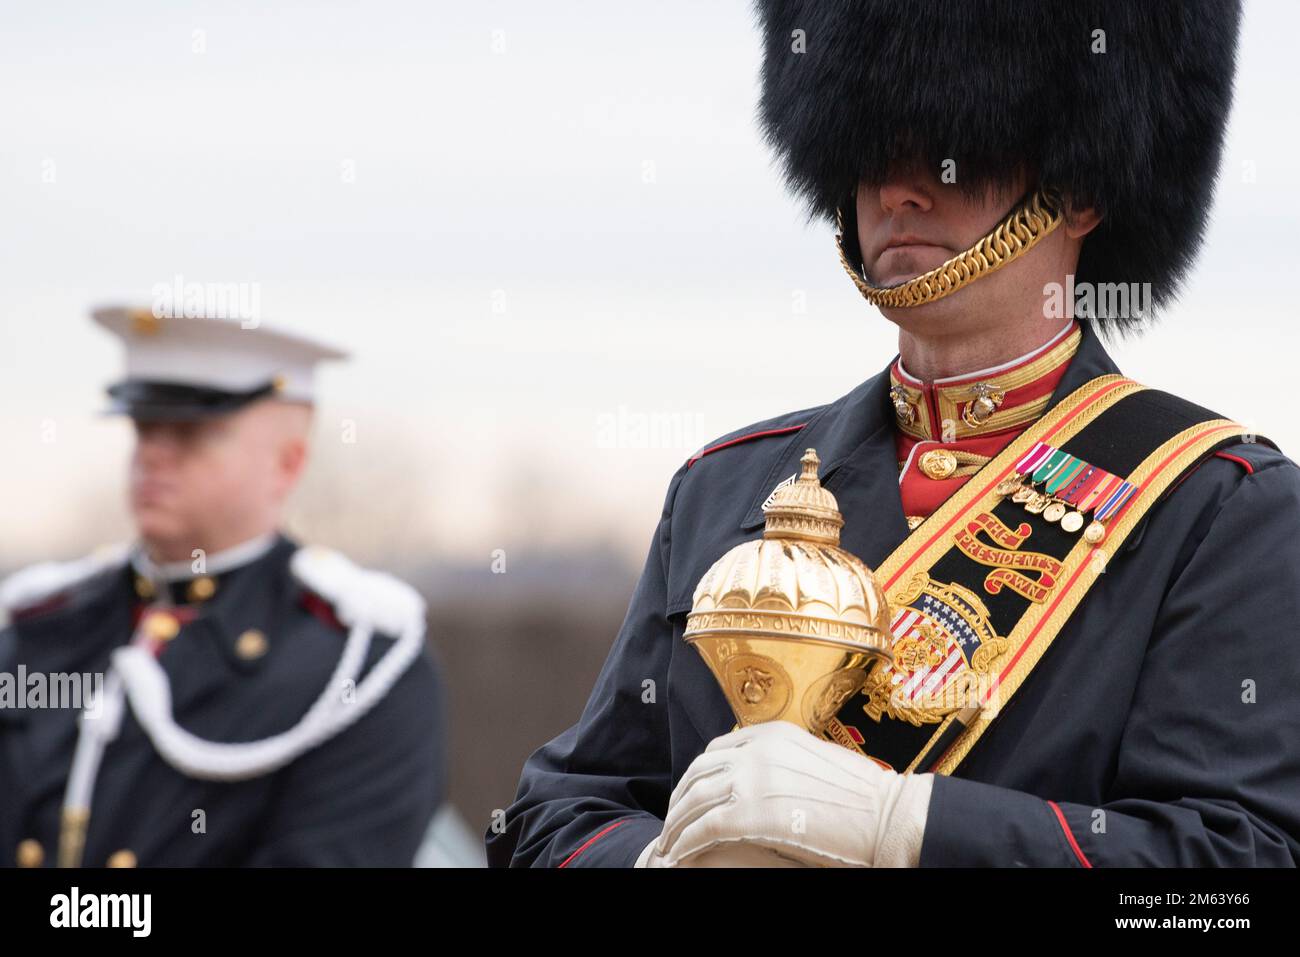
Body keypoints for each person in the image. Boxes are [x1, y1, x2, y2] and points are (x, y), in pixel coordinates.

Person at [487, 0, 1300, 867]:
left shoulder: (1219, 509)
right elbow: (556, 818)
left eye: (956, 151)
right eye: (870, 150)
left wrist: (911, 825)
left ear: (1081, 189)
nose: (896, 190)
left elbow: (1223, 882)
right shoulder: (722, 487)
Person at [0, 306, 446, 867]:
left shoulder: (356, 661)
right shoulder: (47, 624)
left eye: (191, 431)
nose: (154, 453)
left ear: (287, 464)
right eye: (144, 426)